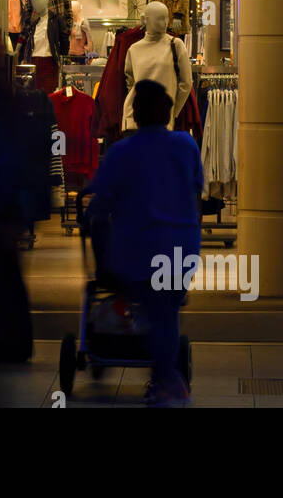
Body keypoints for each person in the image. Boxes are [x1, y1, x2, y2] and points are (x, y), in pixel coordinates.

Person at [84, 79, 203, 408]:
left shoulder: (123, 151)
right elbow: (195, 191)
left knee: (155, 309)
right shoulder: (186, 146)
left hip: (142, 249)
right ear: (168, 113)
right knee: (165, 310)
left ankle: (168, 382)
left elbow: (101, 201)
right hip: (182, 246)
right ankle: (165, 376)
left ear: (134, 113)